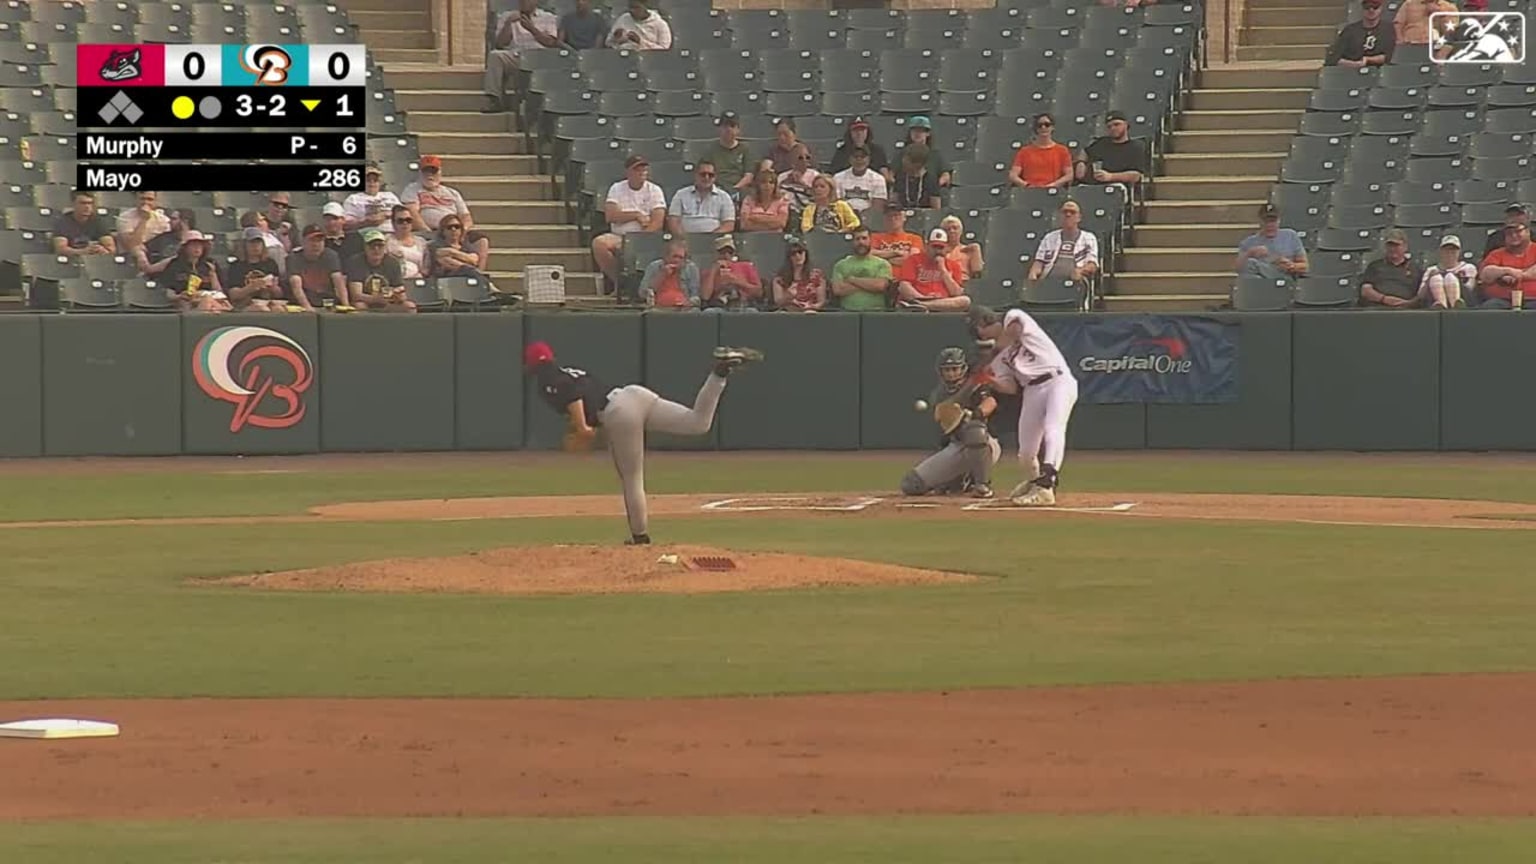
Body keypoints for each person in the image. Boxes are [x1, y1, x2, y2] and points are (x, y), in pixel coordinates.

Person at [524, 340, 762, 545]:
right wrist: (582, 427)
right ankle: (719, 374)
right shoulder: (567, 370)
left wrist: (582, 428)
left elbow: (572, 394)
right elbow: (578, 393)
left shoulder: (547, 377)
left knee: (632, 477)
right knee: (697, 422)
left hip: (618, 412)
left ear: (532, 365)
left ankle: (640, 538)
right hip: (634, 395)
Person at [969, 306, 1079, 508]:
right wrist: (989, 380)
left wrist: (991, 355)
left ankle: (1046, 486)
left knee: (1053, 428)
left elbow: (1014, 332)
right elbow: (1011, 388)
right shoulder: (1001, 359)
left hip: (1057, 381)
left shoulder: (1014, 316)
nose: (981, 333)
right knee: (1026, 451)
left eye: (980, 328)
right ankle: (1035, 481)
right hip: (1031, 390)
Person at [900, 346, 1001, 499]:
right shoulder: (938, 395)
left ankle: (982, 484)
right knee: (912, 484)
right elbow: (948, 426)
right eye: (947, 370)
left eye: (955, 369)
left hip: (986, 444)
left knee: (974, 429)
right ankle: (960, 479)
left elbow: (990, 402)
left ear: (963, 369)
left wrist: (975, 413)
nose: (951, 373)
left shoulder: (975, 385)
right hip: (957, 445)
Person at [590, 155, 667, 293]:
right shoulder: (617, 188)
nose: (641, 172)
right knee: (599, 244)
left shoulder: (655, 190)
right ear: (628, 172)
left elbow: (658, 221)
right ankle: (620, 284)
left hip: (647, 237)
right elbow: (611, 215)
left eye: (644, 169)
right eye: (637, 169)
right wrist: (637, 215)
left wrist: (641, 238)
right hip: (620, 236)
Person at [483, 0, 560, 113]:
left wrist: (532, 29)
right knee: (495, 56)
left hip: (539, 59)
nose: (524, 2)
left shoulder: (547, 17)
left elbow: (551, 43)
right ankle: (495, 100)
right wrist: (508, 23)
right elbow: (500, 44)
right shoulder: (507, 16)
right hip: (516, 57)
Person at [894, 229, 972, 312]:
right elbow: (904, 286)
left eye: (941, 247)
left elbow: (956, 293)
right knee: (903, 288)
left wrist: (943, 269)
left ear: (947, 248)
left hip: (943, 304)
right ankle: (920, 304)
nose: (937, 251)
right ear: (927, 246)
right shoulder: (913, 260)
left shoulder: (954, 265)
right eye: (934, 247)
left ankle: (921, 306)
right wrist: (921, 297)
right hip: (919, 297)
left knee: (965, 301)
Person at [1029, 200, 1099, 288]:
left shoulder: (1089, 237)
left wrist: (1081, 271)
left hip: (1074, 282)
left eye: (1072, 212)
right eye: (1065, 212)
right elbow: (1039, 262)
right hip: (1048, 281)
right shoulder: (1049, 237)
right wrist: (1033, 273)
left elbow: (1093, 265)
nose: (1068, 215)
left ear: (1079, 218)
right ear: (1060, 216)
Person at [346, 228, 418, 313]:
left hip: (387, 303)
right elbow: (356, 295)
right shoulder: (356, 261)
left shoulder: (393, 263)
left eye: (380, 245)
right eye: (372, 246)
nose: (376, 249)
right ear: (365, 247)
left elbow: (400, 290)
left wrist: (398, 296)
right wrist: (376, 299)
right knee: (359, 306)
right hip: (366, 302)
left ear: (385, 247)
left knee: (410, 307)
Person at [1235, 203, 1308, 283]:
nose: (1269, 225)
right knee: (1249, 268)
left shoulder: (1290, 235)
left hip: (1284, 278)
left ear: (1279, 221)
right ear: (1260, 221)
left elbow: (1305, 266)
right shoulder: (1249, 242)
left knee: (1252, 265)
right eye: (1266, 221)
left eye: (1273, 221)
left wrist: (1291, 266)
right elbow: (1238, 269)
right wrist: (1249, 253)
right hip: (1259, 282)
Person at [1075, 111, 1147, 189]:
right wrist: (1081, 162)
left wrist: (1110, 176)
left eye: (1116, 124)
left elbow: (1136, 176)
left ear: (1126, 125)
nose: (1113, 128)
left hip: (1119, 187)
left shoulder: (1136, 146)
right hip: (1095, 185)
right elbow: (1085, 152)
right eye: (1109, 127)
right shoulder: (1101, 143)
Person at [162, 231, 229, 312]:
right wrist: (179, 296)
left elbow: (219, 292)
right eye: (193, 245)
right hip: (184, 302)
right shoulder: (175, 265)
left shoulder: (210, 264)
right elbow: (168, 292)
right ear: (185, 247)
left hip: (209, 300)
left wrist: (213, 275)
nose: (197, 248)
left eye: (200, 245)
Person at [831, 226, 895, 311]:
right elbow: (838, 290)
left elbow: (879, 286)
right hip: (847, 313)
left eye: (864, 238)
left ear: (870, 240)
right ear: (853, 241)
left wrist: (852, 280)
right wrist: (869, 283)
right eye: (857, 239)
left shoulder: (882, 264)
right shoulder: (840, 265)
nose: (861, 242)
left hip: (876, 313)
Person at [226, 227, 289, 311]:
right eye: (252, 243)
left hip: (268, 302)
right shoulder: (236, 266)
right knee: (261, 309)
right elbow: (233, 295)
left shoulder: (270, 263)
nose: (255, 246)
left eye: (258, 243)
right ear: (244, 245)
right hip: (245, 304)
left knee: (278, 309)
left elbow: (280, 294)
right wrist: (251, 287)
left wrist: (272, 287)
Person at [666, 160, 736, 235]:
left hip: (714, 240)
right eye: (703, 174)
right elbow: (673, 220)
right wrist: (683, 237)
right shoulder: (681, 194)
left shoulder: (724, 197)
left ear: (715, 177)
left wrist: (709, 238)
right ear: (695, 175)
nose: (706, 178)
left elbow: (729, 225)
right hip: (684, 240)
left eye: (710, 175)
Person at [1478, 221, 1536, 309]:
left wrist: (1516, 275)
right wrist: (1507, 271)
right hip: (1502, 300)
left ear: (1527, 232)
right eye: (1509, 233)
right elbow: (1485, 274)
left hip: (1533, 299)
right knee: (1489, 307)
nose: (1513, 235)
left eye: (1518, 231)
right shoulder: (1496, 254)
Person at [1359, 229, 1423, 309]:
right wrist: (1384, 299)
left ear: (1405, 247)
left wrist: (1408, 304)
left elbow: (1421, 295)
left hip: (1406, 310)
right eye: (1390, 245)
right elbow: (1365, 291)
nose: (1392, 249)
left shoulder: (1415, 269)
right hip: (1378, 308)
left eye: (1396, 245)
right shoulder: (1374, 266)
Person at [1008, 113, 1074, 189]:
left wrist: (1054, 184)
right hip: (1030, 191)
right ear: (1036, 129)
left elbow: (1069, 175)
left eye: (1047, 124)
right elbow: (1013, 175)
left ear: (1052, 127)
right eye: (1040, 125)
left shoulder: (1062, 150)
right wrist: (1027, 185)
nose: (1043, 127)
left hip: (1053, 190)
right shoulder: (1024, 151)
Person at [700, 234, 764, 310]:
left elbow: (759, 293)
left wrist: (736, 281)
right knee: (709, 312)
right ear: (716, 254)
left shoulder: (746, 266)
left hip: (744, 305)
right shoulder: (709, 272)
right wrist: (714, 271)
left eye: (730, 252)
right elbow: (705, 297)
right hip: (719, 306)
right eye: (722, 252)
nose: (726, 256)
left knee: (752, 311)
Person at [1327, 0, 1396, 67]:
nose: (1371, 10)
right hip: (1350, 72)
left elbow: (1390, 56)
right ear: (1362, 8)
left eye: (1375, 7)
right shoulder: (1350, 30)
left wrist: (1368, 60)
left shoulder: (1388, 29)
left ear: (1381, 8)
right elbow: (1334, 59)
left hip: (1379, 72)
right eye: (1367, 7)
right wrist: (1355, 64)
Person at [638, 240, 700, 308]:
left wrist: (686, 303)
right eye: (675, 256)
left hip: (684, 309)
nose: (677, 260)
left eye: (681, 258)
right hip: (657, 308)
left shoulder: (691, 268)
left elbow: (695, 296)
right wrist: (662, 275)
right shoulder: (654, 266)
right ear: (666, 256)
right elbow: (642, 293)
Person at [702, 112, 754, 194]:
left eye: (732, 126)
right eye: (725, 126)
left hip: (739, 190)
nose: (728, 129)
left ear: (738, 130)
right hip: (716, 190)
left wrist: (735, 188)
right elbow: (705, 173)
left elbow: (749, 176)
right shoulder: (710, 150)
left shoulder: (745, 149)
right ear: (719, 129)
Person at [51, 192, 116, 256]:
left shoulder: (98, 221)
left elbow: (111, 248)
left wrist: (103, 250)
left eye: (90, 203)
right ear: (73, 204)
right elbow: (61, 249)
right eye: (83, 203)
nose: (87, 207)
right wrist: (83, 252)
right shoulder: (63, 221)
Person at [771, 236, 826, 312]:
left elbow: (821, 301)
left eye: (800, 252)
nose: (797, 256)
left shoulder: (817, 275)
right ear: (789, 257)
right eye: (793, 253)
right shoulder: (780, 278)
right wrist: (788, 297)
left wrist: (810, 308)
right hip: (788, 312)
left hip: (811, 312)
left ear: (805, 254)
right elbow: (778, 301)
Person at [1420, 234, 1476, 309]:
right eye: (1446, 249)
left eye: (1453, 250)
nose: (1449, 253)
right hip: (1433, 300)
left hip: (1464, 297)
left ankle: (1456, 306)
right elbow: (1421, 295)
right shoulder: (1430, 270)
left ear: (1459, 252)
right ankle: (1441, 306)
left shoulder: (1468, 267)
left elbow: (1470, 288)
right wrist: (1428, 280)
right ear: (1440, 251)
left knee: (1450, 277)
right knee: (1435, 278)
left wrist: (1457, 279)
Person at [832, 145, 888, 218]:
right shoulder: (838, 177)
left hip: (870, 219)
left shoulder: (878, 179)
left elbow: (878, 206)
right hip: (844, 217)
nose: (859, 160)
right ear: (849, 159)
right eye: (855, 156)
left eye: (862, 157)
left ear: (869, 159)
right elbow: (837, 203)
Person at [890, 144, 942, 210]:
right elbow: (893, 202)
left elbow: (936, 208)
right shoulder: (900, 177)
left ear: (918, 164)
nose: (903, 161)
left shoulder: (931, 180)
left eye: (907, 160)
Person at [738, 168, 790, 233]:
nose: (767, 185)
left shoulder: (782, 201)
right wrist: (772, 221)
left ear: (775, 185)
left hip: (776, 237)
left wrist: (755, 218)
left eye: (771, 182)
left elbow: (781, 223)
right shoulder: (748, 200)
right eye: (763, 182)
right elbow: (744, 225)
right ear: (758, 185)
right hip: (752, 237)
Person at [607, 0, 672, 50]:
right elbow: (608, 43)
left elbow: (664, 50)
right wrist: (615, 37)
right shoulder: (623, 19)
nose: (632, 11)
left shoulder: (660, 24)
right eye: (630, 8)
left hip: (650, 61)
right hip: (624, 58)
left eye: (636, 8)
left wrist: (640, 41)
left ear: (645, 6)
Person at [386, 204, 428, 280]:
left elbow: (426, 267)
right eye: (400, 221)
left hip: (418, 280)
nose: (405, 223)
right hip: (395, 281)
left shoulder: (421, 242)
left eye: (408, 220)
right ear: (393, 223)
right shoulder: (386, 241)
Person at [938, 214, 984, 282]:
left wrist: (976, 252)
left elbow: (977, 273)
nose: (952, 231)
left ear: (961, 231)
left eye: (955, 228)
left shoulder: (969, 250)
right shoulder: (937, 251)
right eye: (947, 229)